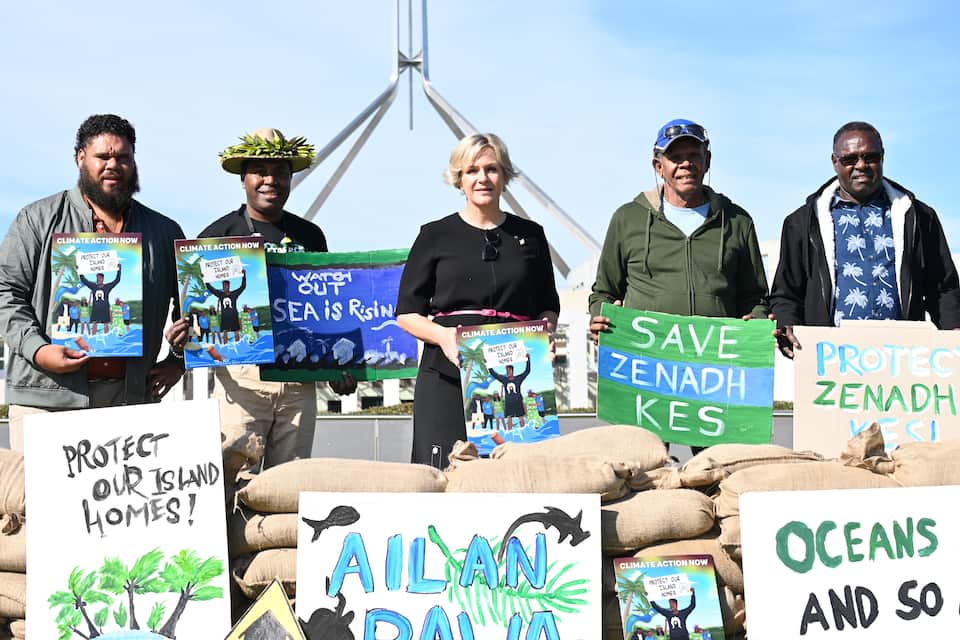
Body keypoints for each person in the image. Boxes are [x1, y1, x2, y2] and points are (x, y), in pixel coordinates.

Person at [164, 127, 355, 482]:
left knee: (290, 483)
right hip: (242, 381)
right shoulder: (217, 235)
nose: (270, 180)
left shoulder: (311, 236)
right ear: (243, 179)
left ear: (291, 178)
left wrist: (336, 368)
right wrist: (179, 341)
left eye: (280, 171)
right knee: (232, 478)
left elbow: (326, 310)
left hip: (299, 380)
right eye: (260, 171)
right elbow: (189, 314)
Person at [0, 114, 185, 451]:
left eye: (123, 157)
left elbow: (191, 303)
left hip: (129, 403)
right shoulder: (37, 219)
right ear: (80, 158)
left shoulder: (164, 231)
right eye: (103, 156)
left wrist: (178, 360)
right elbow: (5, 292)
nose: (113, 165)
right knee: (40, 488)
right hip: (46, 399)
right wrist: (38, 350)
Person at [588, 119, 769, 457]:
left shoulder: (738, 221)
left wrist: (756, 321)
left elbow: (756, 296)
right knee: (644, 469)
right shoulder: (627, 219)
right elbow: (604, 292)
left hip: (714, 377)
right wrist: (600, 317)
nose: (686, 164)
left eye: (694, 155)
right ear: (659, 166)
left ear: (707, 161)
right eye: (675, 157)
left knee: (722, 469)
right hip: (648, 375)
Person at [396, 133, 560, 467]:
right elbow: (407, 313)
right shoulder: (434, 235)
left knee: (514, 472)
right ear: (459, 178)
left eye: (491, 169)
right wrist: (444, 337)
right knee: (442, 471)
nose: (482, 178)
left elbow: (548, 305)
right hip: (447, 375)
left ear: (504, 176)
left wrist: (544, 336)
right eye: (472, 170)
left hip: (514, 374)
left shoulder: (532, 235)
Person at [770, 121, 960, 356]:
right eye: (850, 159)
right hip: (827, 357)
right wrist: (787, 324)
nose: (861, 165)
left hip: (901, 357)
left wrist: (954, 331)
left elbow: (943, 288)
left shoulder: (919, 217)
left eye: (870, 157)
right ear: (835, 162)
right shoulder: (802, 222)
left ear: (882, 157)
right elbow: (786, 293)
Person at [489, 354, 531, 429]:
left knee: (521, 418)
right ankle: (510, 432)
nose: (508, 372)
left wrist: (528, 360)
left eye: (509, 370)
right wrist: (488, 364)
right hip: (509, 402)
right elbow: (494, 374)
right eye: (507, 370)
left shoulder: (518, 378)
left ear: (512, 370)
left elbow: (527, 371)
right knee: (509, 419)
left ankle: (524, 431)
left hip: (518, 401)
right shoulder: (504, 379)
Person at [206, 272, 246, 344]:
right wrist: (205, 279)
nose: (224, 287)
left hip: (233, 315)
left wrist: (244, 276)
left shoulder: (234, 294)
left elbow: (243, 287)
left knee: (236, 332)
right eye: (223, 285)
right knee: (225, 333)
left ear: (229, 286)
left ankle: (238, 346)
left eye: (225, 285)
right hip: (225, 317)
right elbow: (211, 289)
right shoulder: (220, 294)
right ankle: (225, 347)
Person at [81, 268, 121, 334]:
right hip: (96, 309)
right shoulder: (93, 286)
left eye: (99, 278)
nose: (98, 279)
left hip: (105, 308)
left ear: (103, 279)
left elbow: (117, 280)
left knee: (106, 324)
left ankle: (107, 337)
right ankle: (93, 338)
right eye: (97, 278)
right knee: (94, 324)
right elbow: (84, 281)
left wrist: (119, 270)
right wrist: (80, 271)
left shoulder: (107, 287)